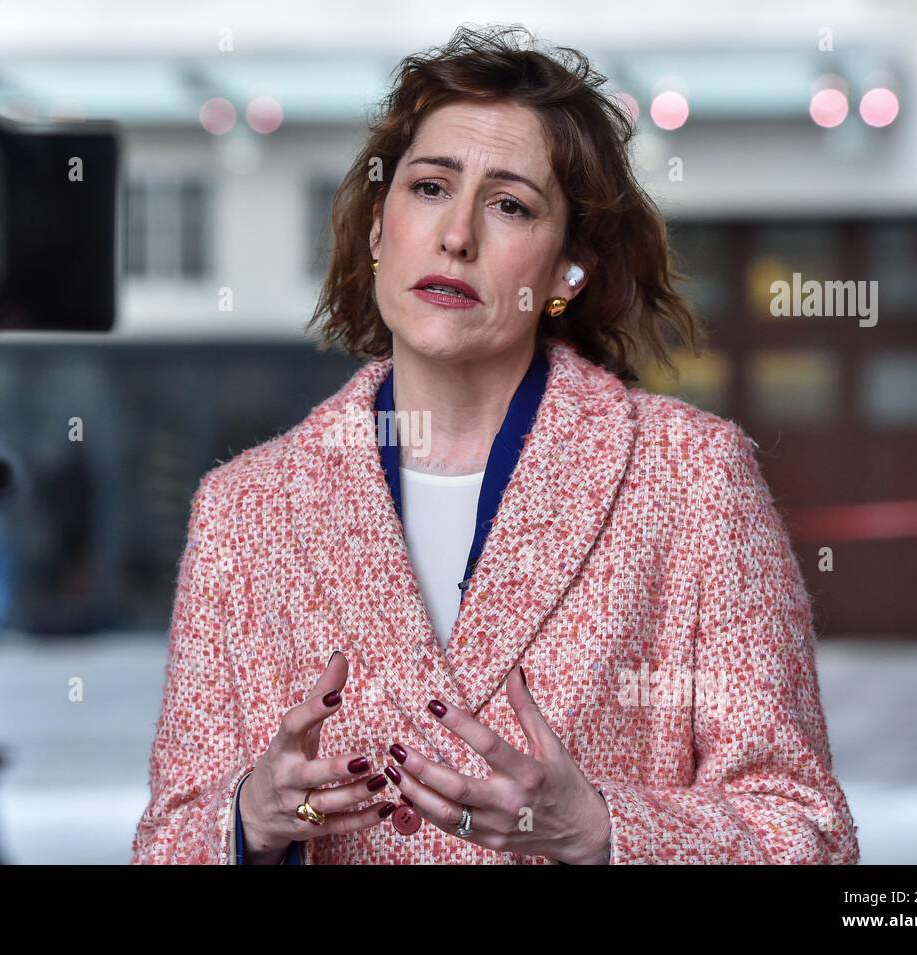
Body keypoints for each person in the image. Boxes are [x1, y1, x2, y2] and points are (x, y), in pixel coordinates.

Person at [130, 24, 860, 864]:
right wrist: (247, 820)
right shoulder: (244, 508)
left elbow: (809, 832)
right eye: (430, 187)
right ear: (377, 228)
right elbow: (164, 837)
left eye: (510, 203)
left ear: (565, 273)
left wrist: (601, 830)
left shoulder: (692, 478)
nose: (457, 235)